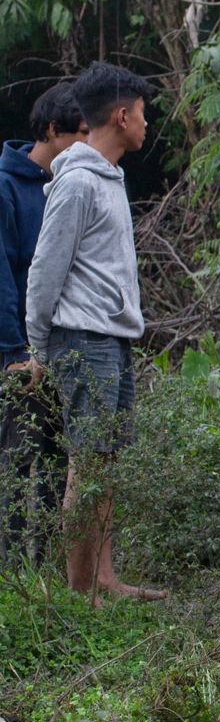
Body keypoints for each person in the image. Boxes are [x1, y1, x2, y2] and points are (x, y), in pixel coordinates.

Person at [24, 62, 164, 604]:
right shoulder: (78, 181)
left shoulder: (107, 176)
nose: (147, 123)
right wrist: (39, 348)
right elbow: (45, 270)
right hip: (82, 339)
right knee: (87, 464)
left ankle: (105, 579)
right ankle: (80, 593)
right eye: (143, 113)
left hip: (110, 338)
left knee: (105, 461)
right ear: (122, 115)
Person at [1, 83, 85, 562]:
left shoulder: (71, 182)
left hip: (60, 346)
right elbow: (3, 275)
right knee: (17, 457)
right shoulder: (7, 187)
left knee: (57, 455)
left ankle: (46, 566)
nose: (88, 143)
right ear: (53, 130)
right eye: (80, 133)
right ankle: (12, 573)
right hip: (19, 350)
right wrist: (13, 352)